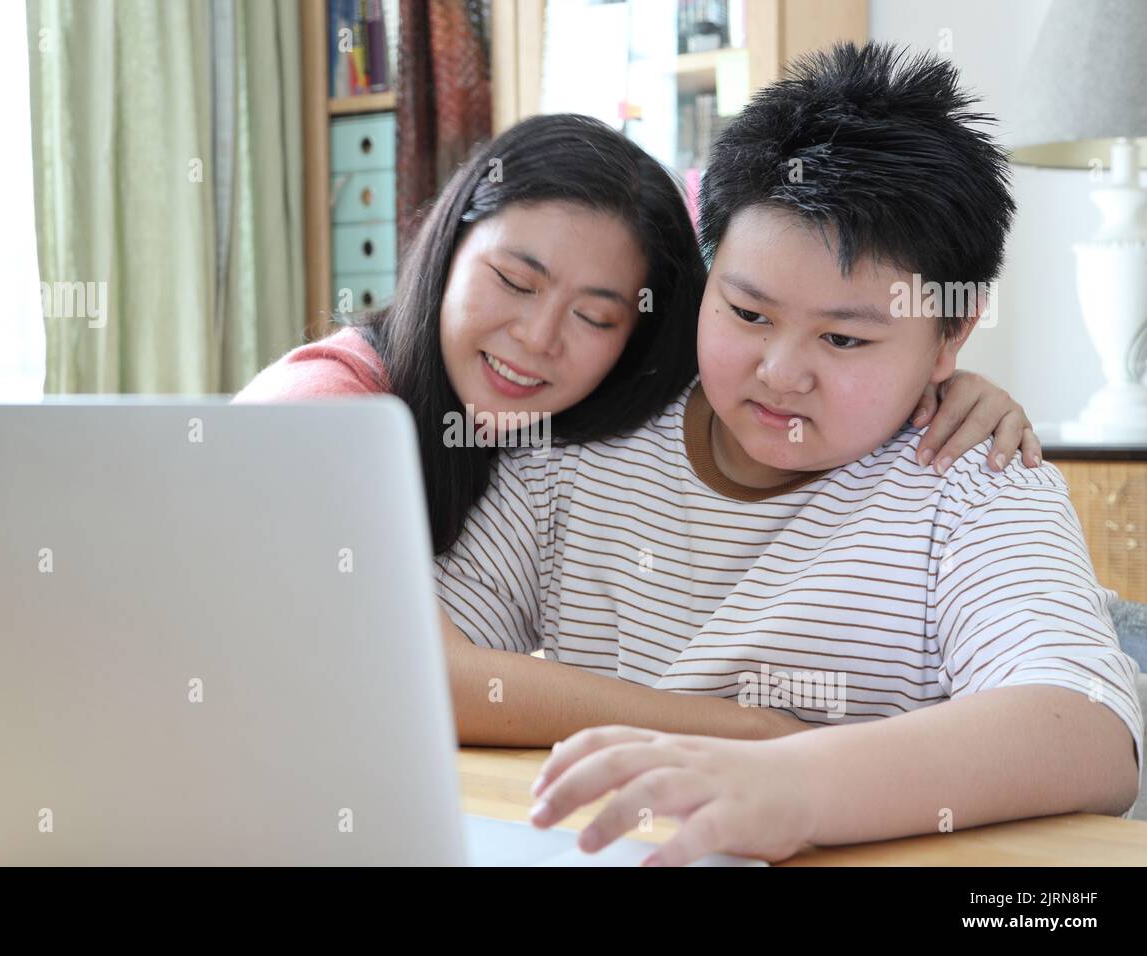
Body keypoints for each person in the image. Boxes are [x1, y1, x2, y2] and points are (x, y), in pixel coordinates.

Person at [430, 42, 1142, 862]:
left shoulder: (972, 478)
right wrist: (731, 735)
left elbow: (1087, 732)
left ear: (952, 332)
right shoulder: (581, 451)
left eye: (842, 337)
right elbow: (423, 670)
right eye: (747, 313)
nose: (779, 375)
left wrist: (796, 785)